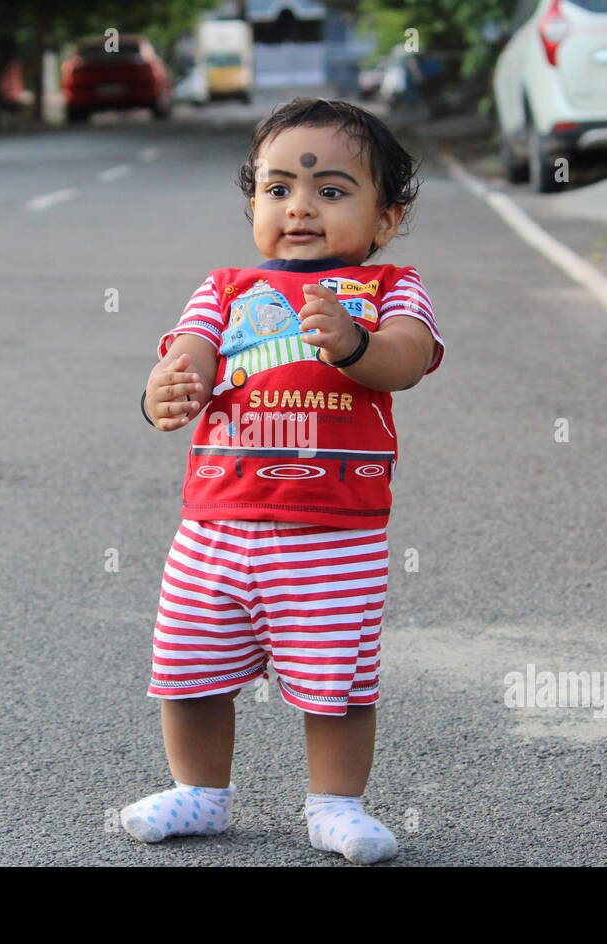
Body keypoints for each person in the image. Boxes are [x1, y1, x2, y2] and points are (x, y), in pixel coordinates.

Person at [126, 97, 445, 864]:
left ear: (386, 218)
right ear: (253, 204)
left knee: (336, 683)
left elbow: (405, 358)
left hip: (333, 538)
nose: (299, 207)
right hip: (213, 530)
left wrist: (353, 342)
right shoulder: (226, 288)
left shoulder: (391, 287)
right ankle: (201, 793)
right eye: (278, 189)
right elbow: (189, 353)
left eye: (331, 191)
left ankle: (336, 805)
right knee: (188, 670)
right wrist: (164, 388)